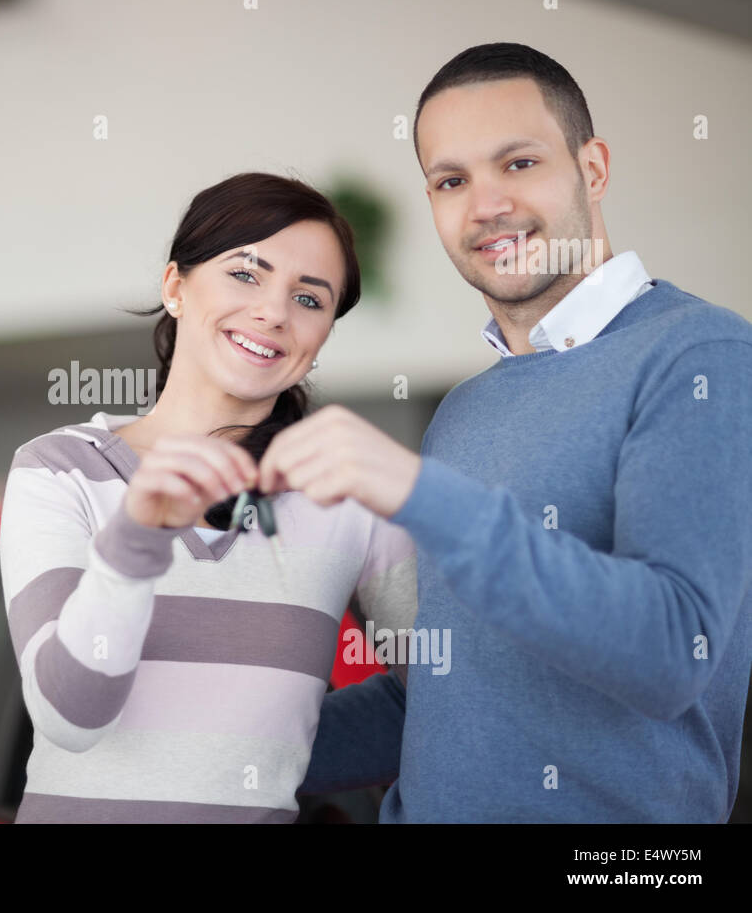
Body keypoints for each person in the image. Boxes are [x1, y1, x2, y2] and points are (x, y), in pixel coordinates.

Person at [296, 43, 752, 821]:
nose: (486, 206)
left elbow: (676, 654)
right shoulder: (464, 413)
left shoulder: (699, 357)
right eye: (451, 180)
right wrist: (213, 742)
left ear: (594, 168)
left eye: (518, 163)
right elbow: (446, 701)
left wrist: (419, 493)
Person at [0, 172, 418, 822]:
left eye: (310, 299)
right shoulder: (60, 468)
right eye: (246, 275)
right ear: (175, 288)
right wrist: (136, 538)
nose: (274, 312)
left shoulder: (347, 496)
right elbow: (70, 716)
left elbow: (443, 702)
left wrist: (271, 750)